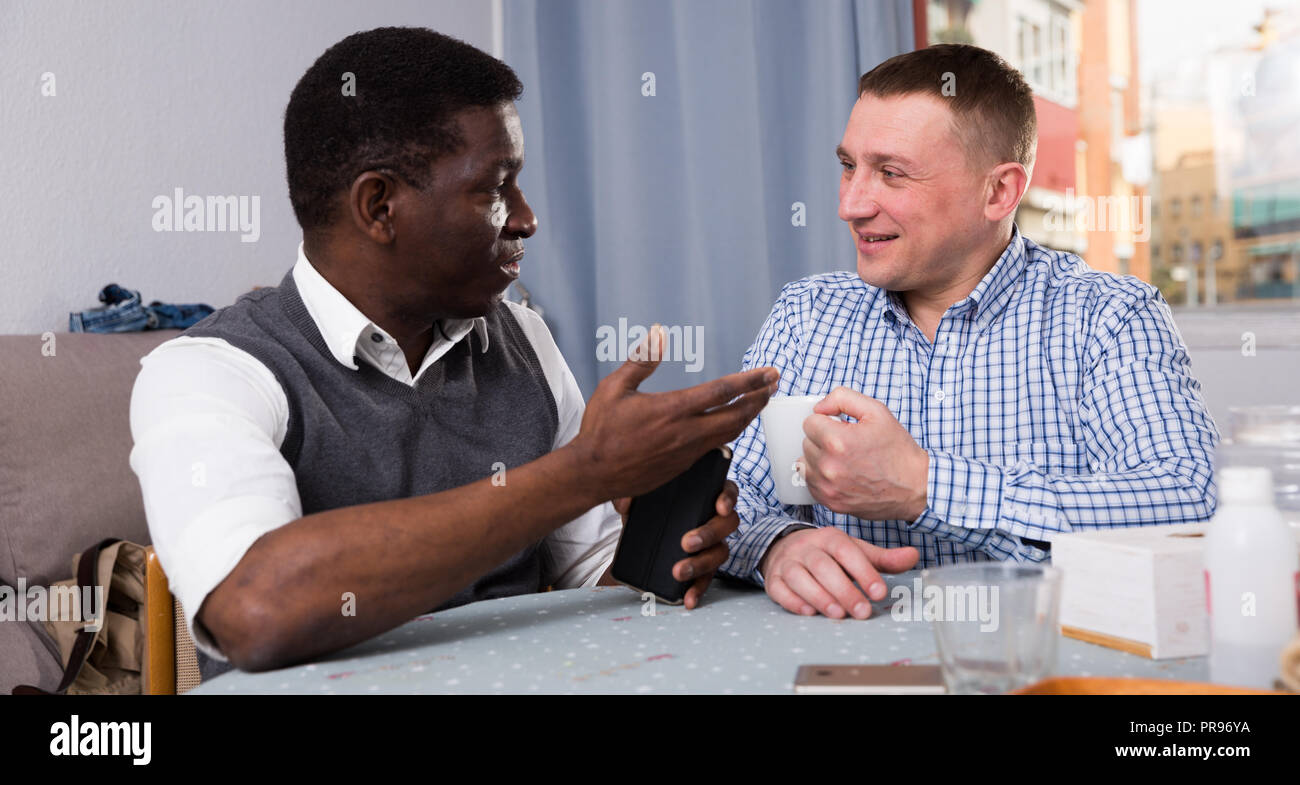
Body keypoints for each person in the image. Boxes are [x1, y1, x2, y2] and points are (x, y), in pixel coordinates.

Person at [129, 27, 777, 674]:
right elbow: (255, 610)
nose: (526, 218)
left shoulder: (523, 338)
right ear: (379, 206)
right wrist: (590, 468)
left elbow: (598, 587)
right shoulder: (207, 372)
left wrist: (665, 547)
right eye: (497, 189)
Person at [719, 44, 1219, 621]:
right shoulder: (808, 316)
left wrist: (925, 486)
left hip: (1042, 668)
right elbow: (732, 500)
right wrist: (778, 546)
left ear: (999, 192)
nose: (851, 205)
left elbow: (1188, 503)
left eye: (891, 172)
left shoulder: (1108, 317)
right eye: (848, 166)